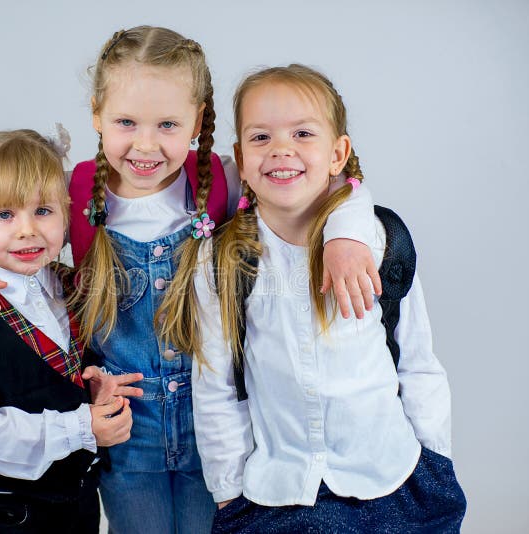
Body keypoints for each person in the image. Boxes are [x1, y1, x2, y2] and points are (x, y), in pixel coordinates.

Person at [0, 27, 380, 534]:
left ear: (196, 123)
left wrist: (347, 238)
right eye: (126, 122)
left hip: (213, 426)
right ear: (97, 115)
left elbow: (336, 188)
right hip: (126, 432)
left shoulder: (219, 178)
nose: (145, 145)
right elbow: (11, 221)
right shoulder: (78, 187)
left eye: (168, 124)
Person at [190, 64, 467, 533]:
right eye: (261, 137)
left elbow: (416, 359)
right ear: (238, 154)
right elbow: (216, 389)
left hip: (393, 474)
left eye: (302, 133)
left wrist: (435, 456)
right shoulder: (223, 260)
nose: (281, 149)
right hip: (281, 490)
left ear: (338, 153)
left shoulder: (378, 240)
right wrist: (229, 491)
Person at [0, 128, 143, 533]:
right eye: (5, 214)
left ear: (66, 210)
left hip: (77, 507)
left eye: (43, 211)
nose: (27, 230)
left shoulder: (62, 286)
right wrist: (81, 426)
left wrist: (90, 388)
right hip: (9, 518)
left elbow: (51, 377)